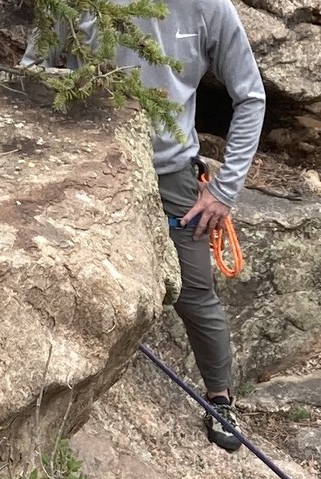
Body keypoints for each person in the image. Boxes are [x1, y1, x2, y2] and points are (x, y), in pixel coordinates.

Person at [26, 0, 266, 451]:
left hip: (169, 169)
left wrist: (224, 190)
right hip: (91, 162)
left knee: (194, 292)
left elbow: (251, 95)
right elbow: (34, 69)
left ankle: (220, 397)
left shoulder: (208, 8)